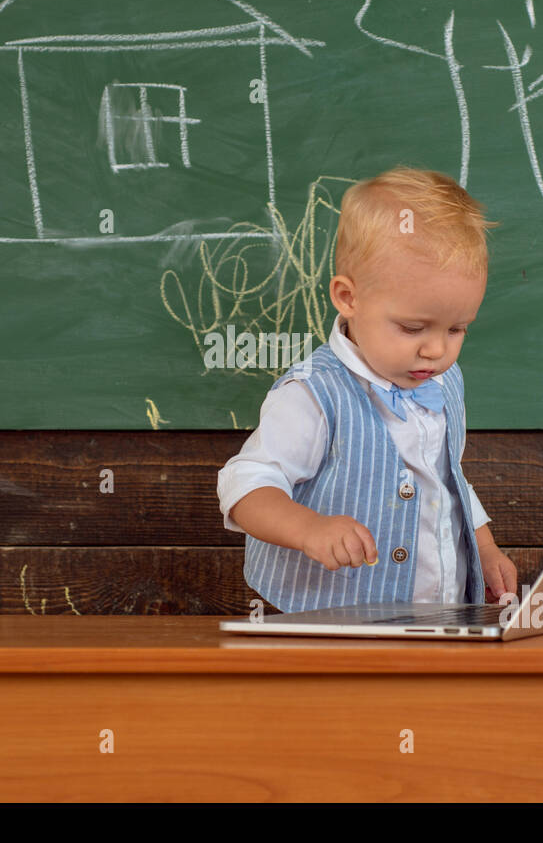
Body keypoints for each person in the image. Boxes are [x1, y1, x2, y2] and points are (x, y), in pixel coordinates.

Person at [217, 166, 517, 613]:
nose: (437, 350)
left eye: (457, 329)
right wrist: (309, 528)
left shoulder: (444, 381)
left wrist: (485, 548)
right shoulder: (314, 393)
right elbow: (245, 485)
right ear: (348, 298)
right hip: (332, 620)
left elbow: (445, 479)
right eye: (412, 328)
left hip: (441, 615)